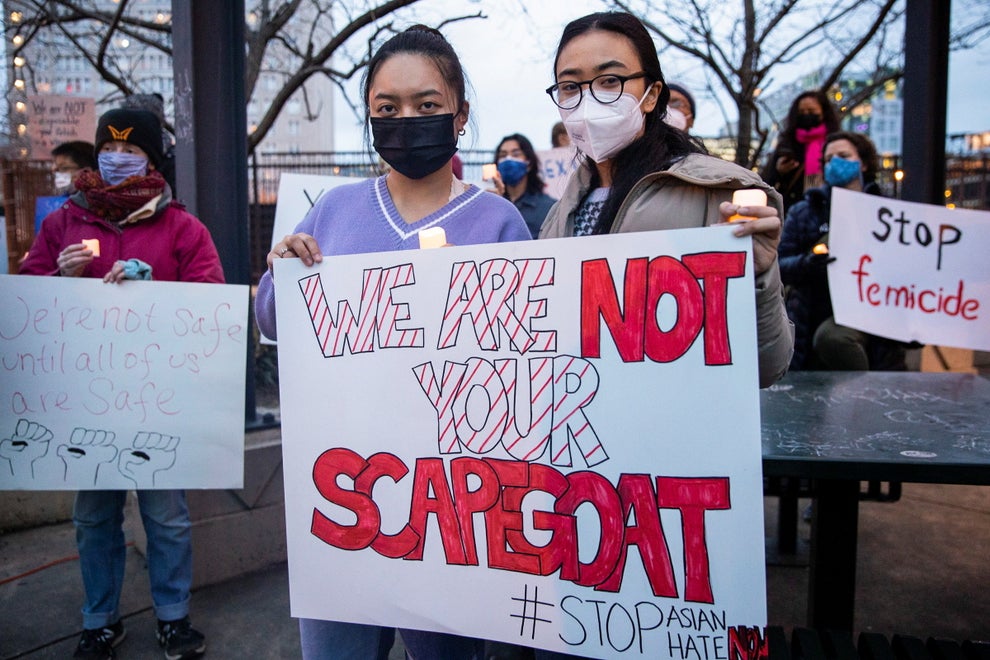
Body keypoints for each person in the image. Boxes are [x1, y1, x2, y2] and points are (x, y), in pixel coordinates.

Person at [254, 24, 531, 660]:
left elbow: (528, 362)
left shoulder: (499, 222)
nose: (407, 120)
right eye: (388, 108)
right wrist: (282, 272)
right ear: (371, 118)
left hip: (452, 504)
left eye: (427, 106)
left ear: (460, 115)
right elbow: (276, 324)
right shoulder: (333, 208)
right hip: (345, 495)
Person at [20, 108, 219, 660]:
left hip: (158, 399)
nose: (118, 158)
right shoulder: (63, 223)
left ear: (151, 158)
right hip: (89, 399)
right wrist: (58, 278)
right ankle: (99, 620)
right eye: (110, 147)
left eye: (131, 150)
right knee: (93, 517)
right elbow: (29, 294)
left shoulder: (183, 228)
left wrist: (156, 291)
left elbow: (210, 302)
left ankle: (174, 619)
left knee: (168, 516)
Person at [539, 11, 793, 391]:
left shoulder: (720, 195)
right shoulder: (559, 215)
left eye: (609, 81)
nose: (589, 100)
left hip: (676, 437)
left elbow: (766, 367)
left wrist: (756, 278)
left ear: (652, 94)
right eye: (570, 87)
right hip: (587, 435)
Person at [778, 131, 909, 371]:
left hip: (871, 321)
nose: (834, 163)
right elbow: (780, 266)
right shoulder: (804, 212)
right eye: (828, 159)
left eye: (843, 155)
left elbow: (907, 270)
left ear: (864, 162)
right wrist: (808, 263)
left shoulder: (889, 213)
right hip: (813, 317)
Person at [760, 90, 840, 213]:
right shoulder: (787, 142)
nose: (806, 115)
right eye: (802, 112)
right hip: (792, 209)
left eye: (812, 111)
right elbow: (766, 180)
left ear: (824, 112)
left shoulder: (836, 142)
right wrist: (779, 171)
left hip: (828, 207)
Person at [487, 133, 557, 238]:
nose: (508, 159)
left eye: (515, 154)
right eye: (502, 155)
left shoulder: (549, 208)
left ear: (529, 163)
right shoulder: (491, 205)